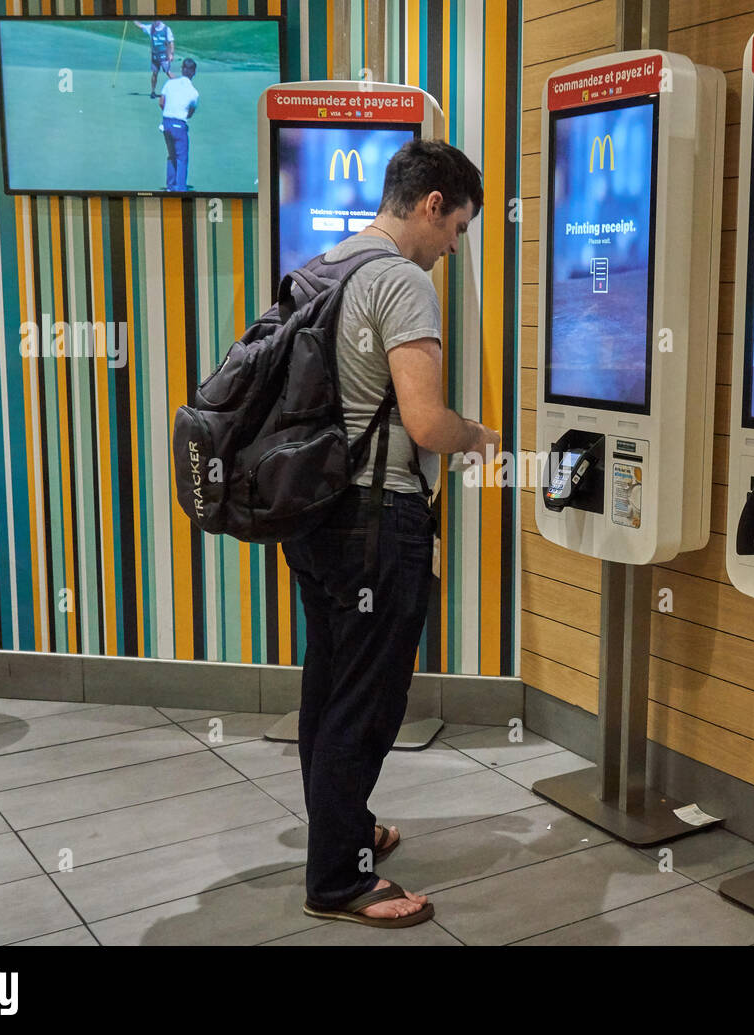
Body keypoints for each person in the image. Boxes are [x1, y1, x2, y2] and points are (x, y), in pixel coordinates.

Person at [282, 140, 500, 928]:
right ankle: (339, 877)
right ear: (433, 204)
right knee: (368, 700)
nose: (454, 247)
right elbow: (425, 421)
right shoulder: (402, 283)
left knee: (328, 683)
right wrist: (478, 435)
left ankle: (345, 831)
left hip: (313, 513)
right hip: (377, 519)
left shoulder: (323, 267)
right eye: (459, 228)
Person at [158, 59, 199, 192]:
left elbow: (161, 102)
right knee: (182, 158)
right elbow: (190, 112)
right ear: (193, 72)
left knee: (171, 155)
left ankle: (170, 186)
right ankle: (180, 189)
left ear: (182, 69)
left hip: (166, 123)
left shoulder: (170, 83)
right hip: (179, 125)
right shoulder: (194, 92)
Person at [134, 19, 175, 99]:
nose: (154, 22)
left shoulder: (166, 29)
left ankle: (179, 88)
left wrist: (171, 54)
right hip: (155, 55)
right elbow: (140, 25)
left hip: (164, 55)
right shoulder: (151, 28)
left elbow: (171, 42)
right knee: (155, 73)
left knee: (168, 72)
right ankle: (153, 92)